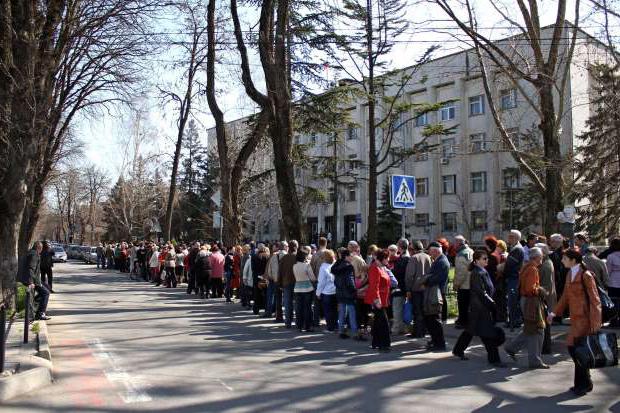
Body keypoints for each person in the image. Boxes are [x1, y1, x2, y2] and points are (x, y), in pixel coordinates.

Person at [548, 248, 602, 396]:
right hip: (575, 319)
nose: (562, 260)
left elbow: (595, 300)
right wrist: (554, 313)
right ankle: (584, 383)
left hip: (586, 319)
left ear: (573, 260)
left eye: (565, 258)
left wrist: (595, 323)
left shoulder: (586, 275)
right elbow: (565, 296)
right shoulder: (569, 273)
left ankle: (583, 384)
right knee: (575, 350)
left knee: (577, 351)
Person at [452, 250, 506, 367]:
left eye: (487, 258)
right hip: (480, 308)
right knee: (488, 334)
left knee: (471, 331)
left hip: (480, 307)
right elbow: (481, 292)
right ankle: (494, 360)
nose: (486, 260)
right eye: (484, 259)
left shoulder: (482, 271)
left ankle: (458, 350)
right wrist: (493, 304)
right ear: (476, 261)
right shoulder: (477, 273)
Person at [504, 247, 549, 369]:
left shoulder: (526, 266)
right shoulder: (532, 269)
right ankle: (535, 360)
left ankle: (511, 347)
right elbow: (530, 289)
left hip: (527, 301)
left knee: (530, 329)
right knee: (537, 330)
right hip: (531, 301)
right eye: (541, 257)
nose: (542, 259)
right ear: (537, 257)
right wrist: (540, 290)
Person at [422, 242, 450, 352]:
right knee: (431, 318)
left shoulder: (442, 262)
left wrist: (426, 280)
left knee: (434, 319)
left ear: (435, 251)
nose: (429, 253)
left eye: (430, 251)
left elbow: (436, 278)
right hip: (434, 292)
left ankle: (439, 343)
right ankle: (435, 340)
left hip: (436, 293)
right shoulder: (439, 260)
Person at [332, 248, 362, 340]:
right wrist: (354, 290)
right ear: (346, 256)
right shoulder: (348, 267)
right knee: (352, 313)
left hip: (340, 292)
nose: (352, 257)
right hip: (348, 293)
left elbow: (336, 280)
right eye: (350, 256)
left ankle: (341, 331)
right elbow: (350, 280)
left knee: (342, 312)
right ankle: (355, 332)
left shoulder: (337, 265)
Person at [365, 249, 392, 352]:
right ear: (383, 258)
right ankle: (384, 344)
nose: (388, 260)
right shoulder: (374, 268)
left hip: (383, 298)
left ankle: (375, 342)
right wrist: (377, 300)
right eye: (387, 258)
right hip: (378, 299)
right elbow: (374, 286)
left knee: (378, 321)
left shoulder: (382, 267)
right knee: (384, 322)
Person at [405, 240, 432, 338]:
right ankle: (424, 330)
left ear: (414, 249)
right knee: (425, 310)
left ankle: (418, 332)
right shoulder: (428, 257)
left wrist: (408, 289)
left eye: (411, 248)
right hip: (425, 287)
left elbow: (409, 276)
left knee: (417, 311)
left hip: (415, 288)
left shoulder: (413, 258)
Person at [18, 242, 51, 320]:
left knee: (47, 288)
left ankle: (35, 304)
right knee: (46, 293)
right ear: (39, 248)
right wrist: (31, 282)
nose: (41, 250)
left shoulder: (31, 252)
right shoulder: (34, 255)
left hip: (33, 279)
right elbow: (31, 268)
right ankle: (40, 313)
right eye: (41, 249)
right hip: (31, 280)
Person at [536, 243, 556, 355]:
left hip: (545, 299)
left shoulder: (546, 265)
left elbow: (547, 286)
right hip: (546, 298)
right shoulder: (546, 263)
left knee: (545, 326)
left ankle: (546, 348)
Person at [505, 230, 525, 330]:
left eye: (511, 236)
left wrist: (503, 266)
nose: (509, 238)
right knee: (513, 301)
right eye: (509, 236)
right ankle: (514, 320)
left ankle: (515, 321)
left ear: (517, 238)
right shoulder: (514, 248)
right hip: (513, 277)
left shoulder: (517, 249)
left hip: (514, 278)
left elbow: (509, 264)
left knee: (513, 301)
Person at [293, 248, 316, 332]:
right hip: (307, 288)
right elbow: (312, 278)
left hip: (297, 288)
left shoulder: (294, 266)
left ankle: (299, 325)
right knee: (307, 308)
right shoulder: (307, 265)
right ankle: (307, 326)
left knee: (299, 308)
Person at [453, 235, 473, 329]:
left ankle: (463, 322)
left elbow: (461, 272)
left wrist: (456, 284)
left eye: (455, 243)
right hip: (471, 283)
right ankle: (468, 321)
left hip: (464, 284)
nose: (454, 245)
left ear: (459, 243)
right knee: (468, 305)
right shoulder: (470, 251)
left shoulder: (461, 254)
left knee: (463, 305)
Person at [391, 238, 410, 335]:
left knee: (397, 308)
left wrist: (391, 272)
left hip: (400, 287)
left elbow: (399, 273)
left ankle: (397, 328)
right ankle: (402, 327)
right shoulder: (405, 257)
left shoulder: (404, 259)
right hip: (404, 287)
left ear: (399, 246)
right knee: (400, 308)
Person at [316, 250, 337, 331]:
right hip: (335, 291)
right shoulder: (335, 264)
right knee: (334, 310)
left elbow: (321, 282)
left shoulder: (323, 267)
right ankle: (335, 326)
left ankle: (330, 328)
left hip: (326, 292)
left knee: (328, 311)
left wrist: (318, 293)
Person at [279, 240, 298, 328]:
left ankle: (288, 322)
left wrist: (280, 284)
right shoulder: (298, 257)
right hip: (296, 282)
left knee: (287, 303)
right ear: (295, 247)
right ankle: (298, 321)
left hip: (286, 282)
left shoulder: (284, 258)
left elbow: (280, 272)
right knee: (297, 303)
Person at [605, 238, 620, 328]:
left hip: (613, 283)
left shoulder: (610, 256)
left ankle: (614, 321)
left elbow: (608, 271)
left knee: (613, 303)